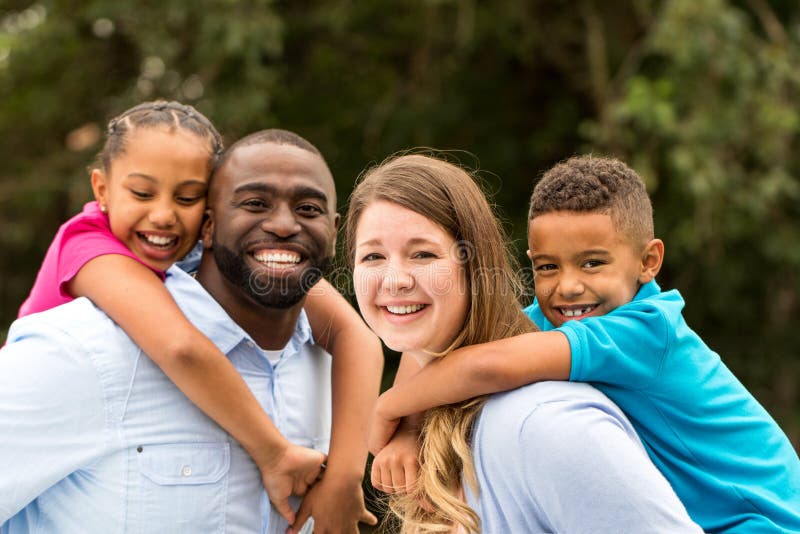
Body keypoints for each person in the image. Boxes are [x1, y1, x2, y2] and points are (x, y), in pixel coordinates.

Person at [368, 155, 800, 532]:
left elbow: (486, 367)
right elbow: (447, 349)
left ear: (648, 262)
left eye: (592, 263)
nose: (567, 287)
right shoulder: (553, 322)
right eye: (547, 267)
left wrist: (390, 407)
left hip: (762, 521)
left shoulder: (648, 330)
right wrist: (408, 430)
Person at [14, 101, 381, 527]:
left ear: (205, 215)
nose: (165, 214)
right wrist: (274, 452)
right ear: (101, 190)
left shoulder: (249, 274)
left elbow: (356, 336)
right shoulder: (91, 268)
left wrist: (344, 475)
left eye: (186, 196)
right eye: (142, 193)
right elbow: (181, 346)